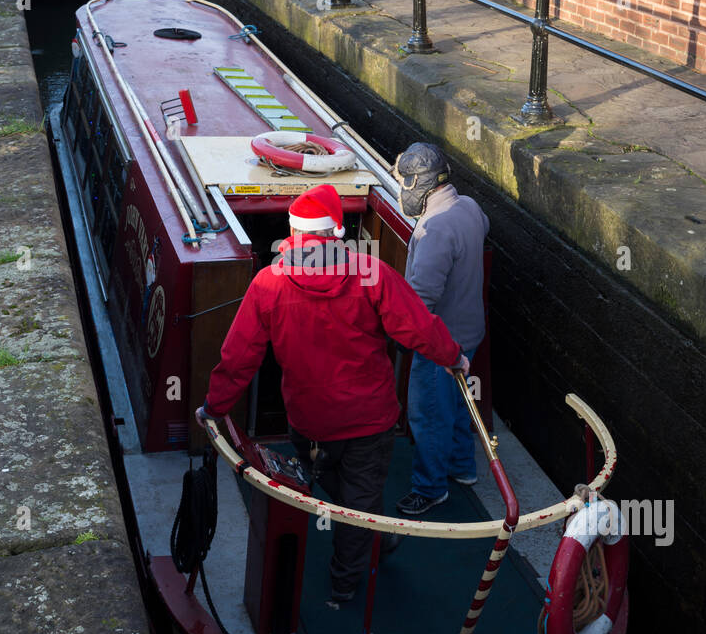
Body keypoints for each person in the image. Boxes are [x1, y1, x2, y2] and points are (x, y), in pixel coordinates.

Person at [195, 184, 470, 603]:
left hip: (309, 422)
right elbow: (419, 328)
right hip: (370, 421)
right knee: (359, 504)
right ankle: (345, 585)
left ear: (293, 233)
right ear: (336, 233)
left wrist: (214, 407)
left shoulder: (267, 284)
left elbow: (238, 359)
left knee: (332, 488)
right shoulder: (373, 273)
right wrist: (454, 357)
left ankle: (369, 543)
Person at [392, 142, 490, 517]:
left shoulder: (433, 229)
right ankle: (463, 468)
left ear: (419, 182)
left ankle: (430, 487)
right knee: (460, 403)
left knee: (429, 413)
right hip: (471, 332)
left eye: (403, 181)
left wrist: (399, 335)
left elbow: (421, 299)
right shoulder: (470, 208)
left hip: (440, 343)